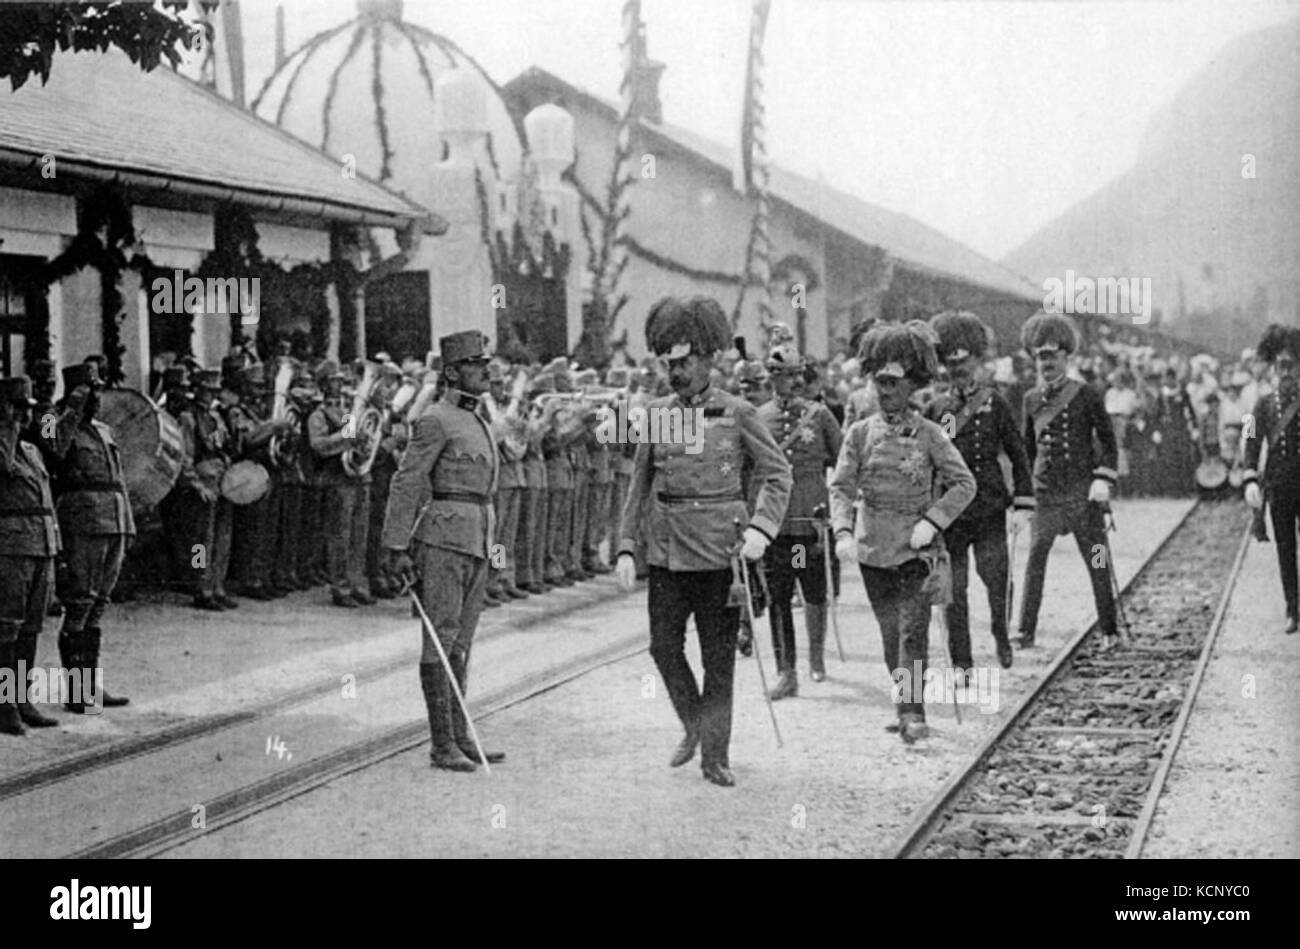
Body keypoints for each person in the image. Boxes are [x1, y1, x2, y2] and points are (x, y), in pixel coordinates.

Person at [616, 296, 792, 787]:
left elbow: (778, 475)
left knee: (718, 660)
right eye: (668, 363)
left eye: (685, 361)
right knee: (662, 648)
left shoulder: (738, 413)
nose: (675, 371)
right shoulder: (656, 413)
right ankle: (694, 722)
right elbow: (638, 484)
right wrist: (627, 544)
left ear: (709, 360)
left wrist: (761, 529)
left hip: (721, 555)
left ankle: (715, 755)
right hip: (669, 553)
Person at [830, 321, 975, 744]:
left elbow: (964, 483)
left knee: (914, 632)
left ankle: (914, 713)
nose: (885, 390)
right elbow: (841, 486)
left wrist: (932, 521)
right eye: (879, 381)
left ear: (911, 385)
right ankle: (903, 704)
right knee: (890, 634)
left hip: (916, 549)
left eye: (894, 382)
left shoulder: (931, 434)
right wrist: (842, 530)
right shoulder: (859, 434)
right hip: (874, 548)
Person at [383, 331, 505, 771]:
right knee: (441, 637)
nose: (485, 370)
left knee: (463, 641)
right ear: (452, 372)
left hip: (477, 537)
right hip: (443, 540)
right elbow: (407, 480)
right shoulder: (436, 419)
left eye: (485, 362)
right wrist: (396, 546)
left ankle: (459, 734)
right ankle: (441, 744)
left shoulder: (478, 419)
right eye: (476, 363)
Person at [925, 311, 1033, 672]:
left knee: (996, 579)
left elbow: (1018, 454)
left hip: (988, 506)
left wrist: (1023, 503)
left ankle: (1001, 635)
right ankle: (962, 661)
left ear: (976, 360)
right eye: (951, 363)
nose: (959, 369)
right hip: (951, 511)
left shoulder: (995, 402)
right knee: (954, 590)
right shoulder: (935, 409)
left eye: (964, 361)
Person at [1014, 312, 1122, 651]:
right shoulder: (1030, 400)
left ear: (1066, 356)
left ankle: (1109, 630)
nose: (1046, 362)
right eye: (1041, 356)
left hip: (1081, 494)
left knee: (1098, 559)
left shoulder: (1086, 394)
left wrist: (1103, 478)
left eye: (1052, 355)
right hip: (1046, 496)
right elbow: (1026, 452)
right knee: (1034, 562)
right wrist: (1022, 499)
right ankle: (1025, 630)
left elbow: (1109, 441)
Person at [43, 362, 132, 712]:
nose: (98, 397)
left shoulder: (103, 430)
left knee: (99, 605)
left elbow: (119, 478)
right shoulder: (54, 420)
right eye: (91, 391)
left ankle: (91, 685)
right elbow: (54, 451)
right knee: (80, 601)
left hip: (113, 520)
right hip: (82, 521)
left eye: (98, 391)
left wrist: (128, 523)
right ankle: (77, 692)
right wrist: (72, 409)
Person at [755, 342, 842, 698]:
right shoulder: (758, 417)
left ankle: (816, 659)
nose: (786, 383)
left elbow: (842, 460)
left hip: (808, 520)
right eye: (779, 376)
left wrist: (839, 506)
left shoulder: (819, 415)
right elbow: (750, 469)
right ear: (771, 380)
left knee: (812, 590)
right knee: (778, 596)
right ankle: (786, 671)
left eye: (792, 376)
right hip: (776, 521)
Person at [0, 377, 61, 733]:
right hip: (10, 546)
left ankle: (23, 700)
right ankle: (5, 705)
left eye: (27, 409)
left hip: (40, 545)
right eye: (17, 407)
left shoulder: (32, 450)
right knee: (7, 628)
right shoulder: (4, 446)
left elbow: (46, 499)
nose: (25, 415)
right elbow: (4, 468)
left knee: (31, 628)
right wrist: (5, 424)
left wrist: (57, 546)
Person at [1243, 324, 1300, 634]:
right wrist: (1250, 478)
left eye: (1292, 365)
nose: (1287, 371)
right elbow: (1250, 442)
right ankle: (1293, 608)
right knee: (1285, 548)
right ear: (1275, 368)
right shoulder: (1261, 405)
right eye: (1282, 365)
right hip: (1279, 486)